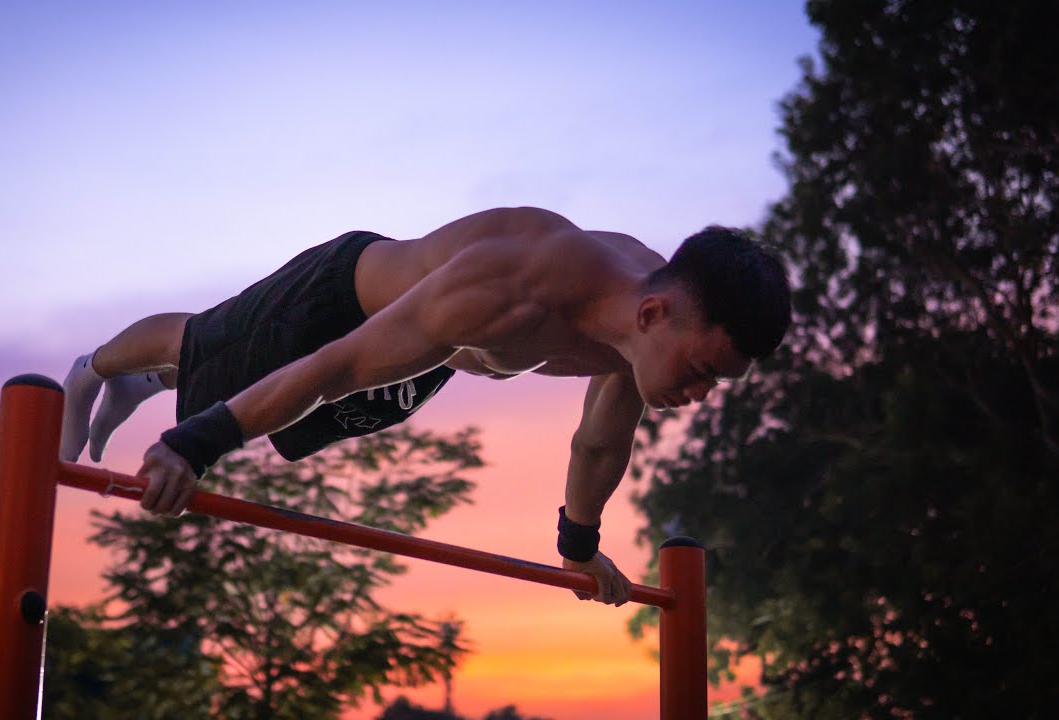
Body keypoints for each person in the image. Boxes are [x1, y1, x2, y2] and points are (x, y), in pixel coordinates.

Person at [59, 207, 791, 606]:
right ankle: (96, 369)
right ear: (654, 314)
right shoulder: (517, 286)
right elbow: (337, 364)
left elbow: (598, 445)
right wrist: (197, 443)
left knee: (223, 385)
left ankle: (153, 385)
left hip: (429, 362)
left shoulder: (640, 334)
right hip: (338, 305)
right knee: (198, 347)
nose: (697, 397)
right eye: (700, 373)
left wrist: (578, 548)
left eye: (715, 385)